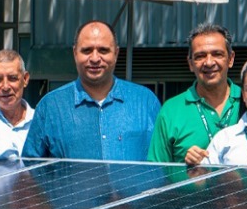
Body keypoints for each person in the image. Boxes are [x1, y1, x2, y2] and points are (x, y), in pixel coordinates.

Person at [21, 20, 160, 161]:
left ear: (116, 53)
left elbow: (164, 163)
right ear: (75, 53)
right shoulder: (51, 107)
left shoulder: (145, 102)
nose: (95, 58)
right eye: (87, 50)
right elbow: (31, 171)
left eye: (103, 50)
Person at [148, 23, 241, 165]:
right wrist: (186, 171)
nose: (209, 62)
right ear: (190, 63)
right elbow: (156, 173)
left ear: (231, 59)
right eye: (200, 56)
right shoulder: (171, 110)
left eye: (217, 54)